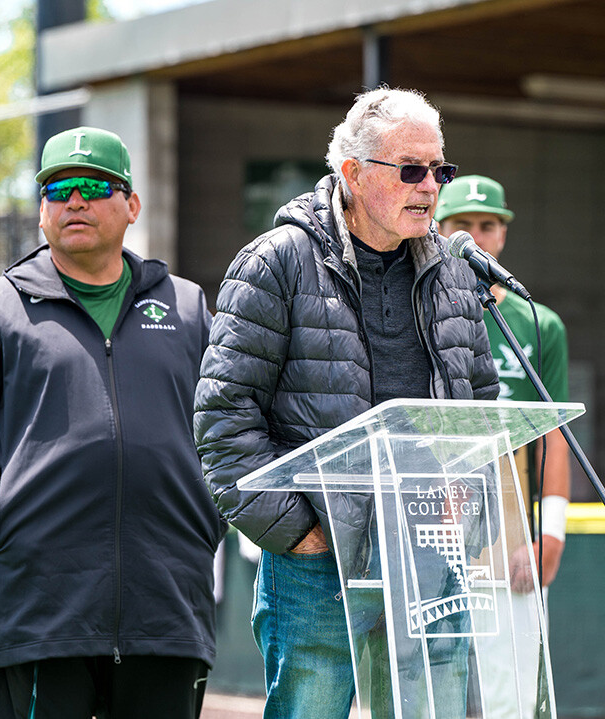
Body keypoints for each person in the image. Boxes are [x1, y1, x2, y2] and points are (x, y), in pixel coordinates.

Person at [193, 88, 499, 719]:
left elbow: (483, 405)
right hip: (318, 560)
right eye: (410, 170)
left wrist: (468, 504)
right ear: (353, 174)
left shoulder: (454, 273)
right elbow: (224, 418)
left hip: (429, 556)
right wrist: (297, 532)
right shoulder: (277, 263)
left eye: (439, 170)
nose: (429, 187)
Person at [0, 126, 225, 719]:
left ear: (131, 204)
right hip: (44, 609)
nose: (75, 201)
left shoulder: (189, 307)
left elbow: (226, 422)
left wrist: (205, 521)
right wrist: (1, 517)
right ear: (42, 210)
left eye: (95, 186)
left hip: (165, 606)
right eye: (58, 188)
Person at [436, 175, 570, 716]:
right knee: (426, 683)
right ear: (437, 230)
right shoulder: (411, 310)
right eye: (461, 225)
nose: (475, 236)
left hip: (510, 526)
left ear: (504, 235)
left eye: (487, 225)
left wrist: (550, 533)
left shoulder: (539, 325)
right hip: (428, 521)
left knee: (509, 693)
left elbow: (553, 436)